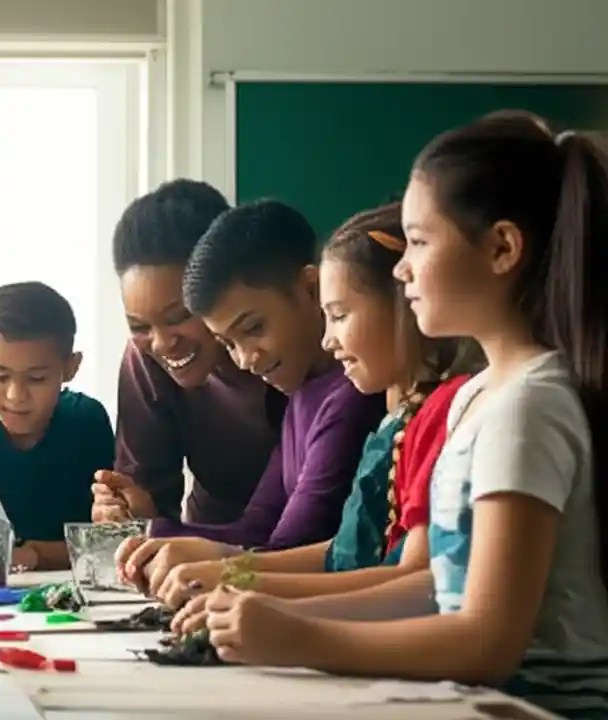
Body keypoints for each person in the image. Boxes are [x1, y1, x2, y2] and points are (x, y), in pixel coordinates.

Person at [189, 111, 608, 719]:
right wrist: (275, 612)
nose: (401, 269)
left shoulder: (529, 407)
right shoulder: (476, 398)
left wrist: (298, 636)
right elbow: (438, 590)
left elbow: (486, 641)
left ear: (501, 248)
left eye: (418, 241)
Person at [119, 202, 478, 611]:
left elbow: (406, 580)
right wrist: (160, 535)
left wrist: (243, 586)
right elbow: (293, 537)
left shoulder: (364, 401)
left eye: (339, 315)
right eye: (228, 344)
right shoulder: (305, 399)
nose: (242, 360)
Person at [123, 199, 387, 576]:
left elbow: (290, 549)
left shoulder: (349, 397)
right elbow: (257, 527)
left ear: (311, 290)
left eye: (253, 329)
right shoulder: (298, 394)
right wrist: (147, 530)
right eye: (228, 343)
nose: (245, 359)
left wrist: (201, 558)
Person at [95, 179, 285, 527]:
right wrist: (125, 513)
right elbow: (148, 506)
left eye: (180, 316)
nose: (162, 343)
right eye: (139, 326)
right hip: (205, 544)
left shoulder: (292, 352)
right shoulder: (144, 359)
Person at [0, 282, 114, 571]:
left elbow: (108, 545)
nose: (16, 396)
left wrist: (31, 554)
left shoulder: (86, 422)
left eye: (37, 378)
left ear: (71, 367)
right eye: (0, 376)